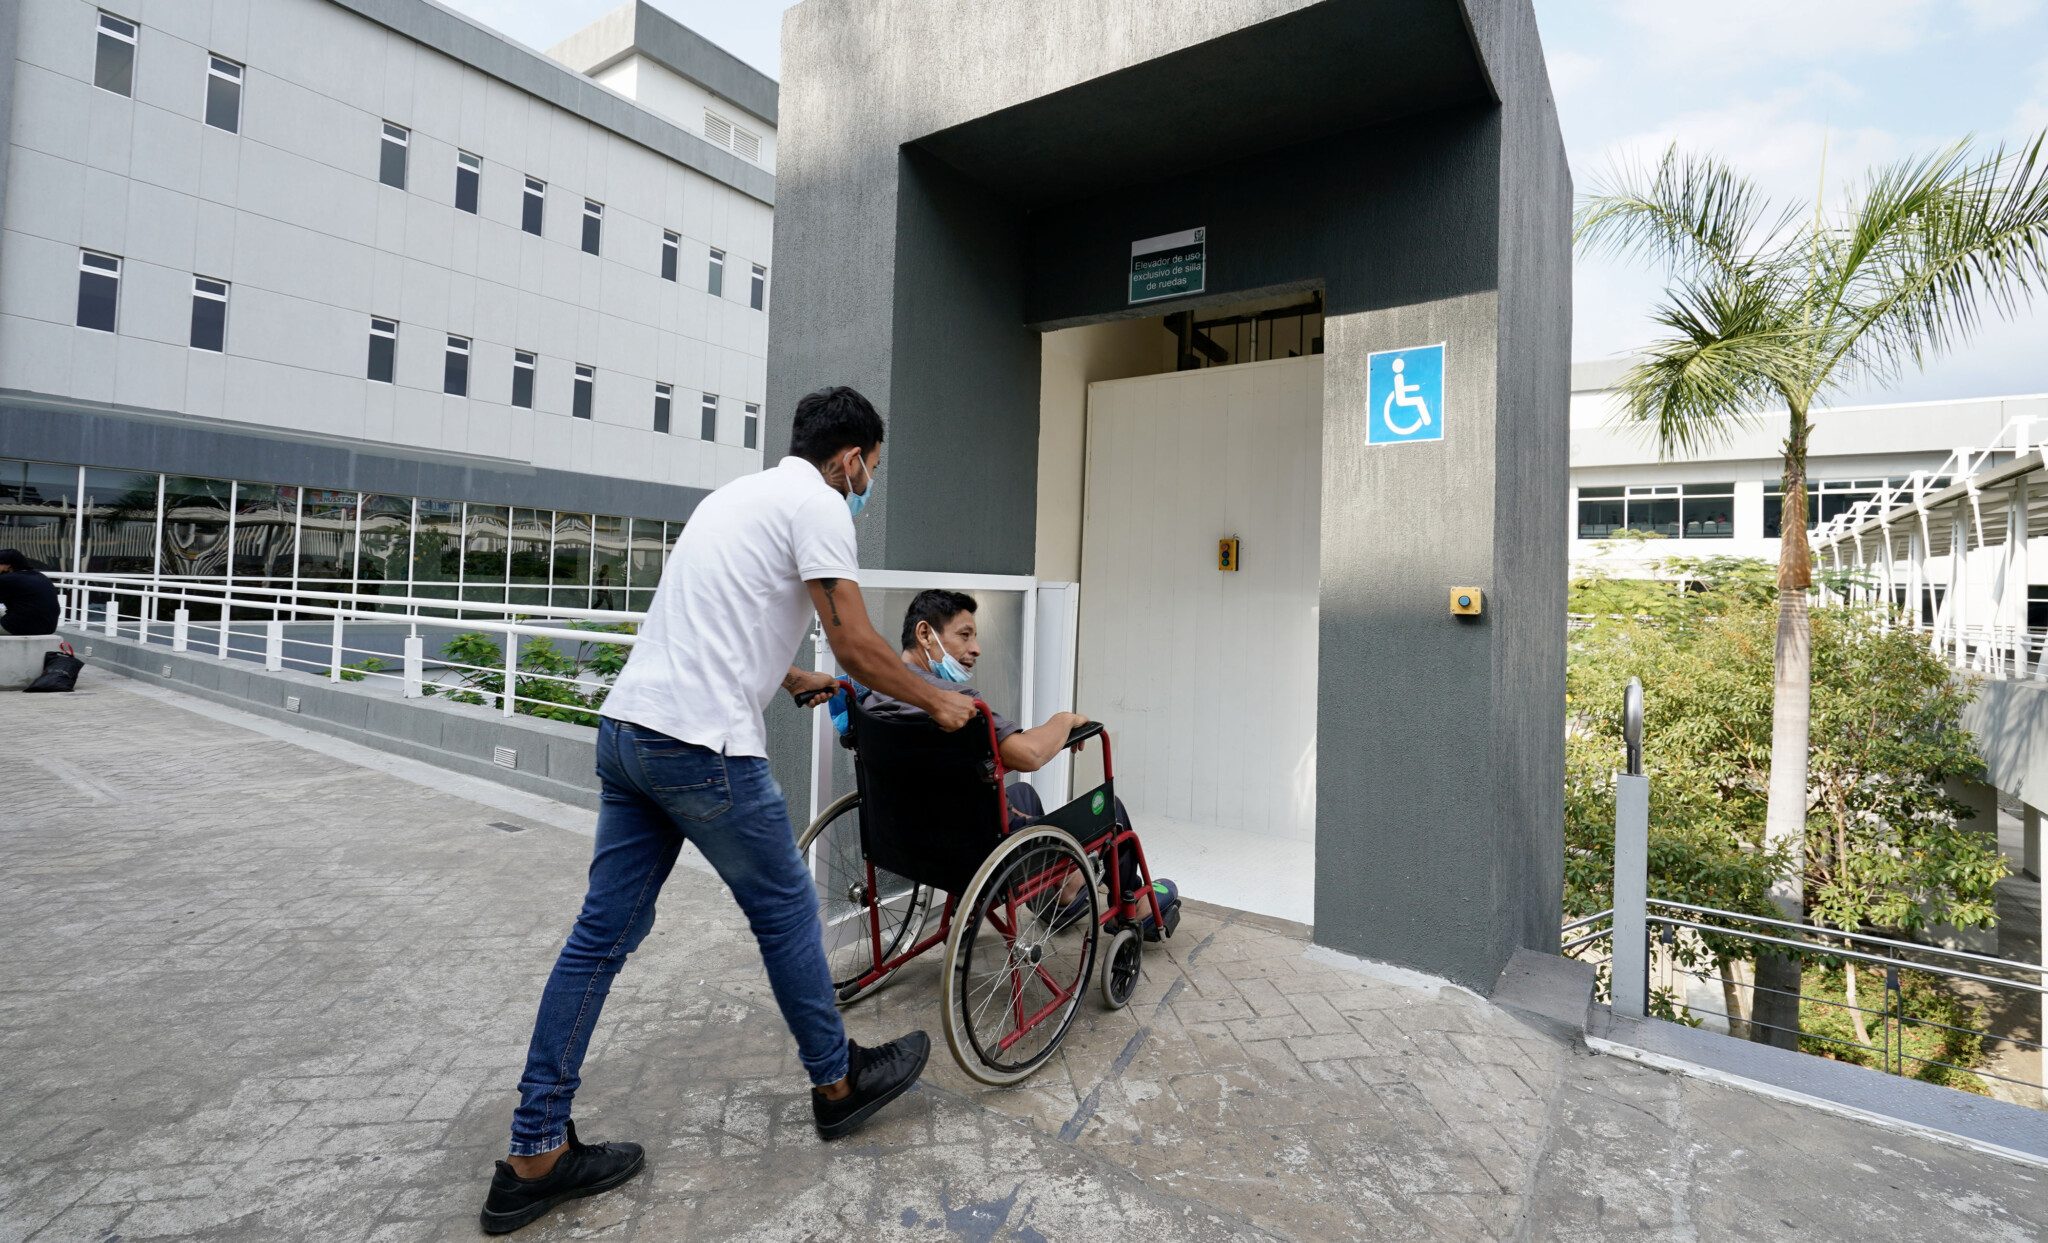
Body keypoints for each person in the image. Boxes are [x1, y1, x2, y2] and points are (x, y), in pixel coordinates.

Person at [481, 388, 975, 1236]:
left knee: (598, 939)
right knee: (786, 908)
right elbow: (857, 639)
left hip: (630, 728)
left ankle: (534, 1153)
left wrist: (789, 676)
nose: (867, 488)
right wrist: (936, 699)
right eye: (872, 473)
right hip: (699, 746)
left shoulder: (731, 498)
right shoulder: (820, 502)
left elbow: (709, 621)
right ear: (850, 459)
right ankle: (837, 1082)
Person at [855, 589, 1174, 934]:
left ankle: (1064, 892)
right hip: (976, 850)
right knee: (1109, 810)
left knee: (1021, 795)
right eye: (964, 635)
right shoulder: (959, 705)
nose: (976, 648)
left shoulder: (873, 695)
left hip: (907, 840)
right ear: (924, 634)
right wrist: (1063, 720)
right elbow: (1029, 755)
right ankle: (1135, 907)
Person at [0, 550, 59, 636]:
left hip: (21, 627)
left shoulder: (8, 579)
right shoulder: (40, 576)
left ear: (7, 565)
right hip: (48, 627)